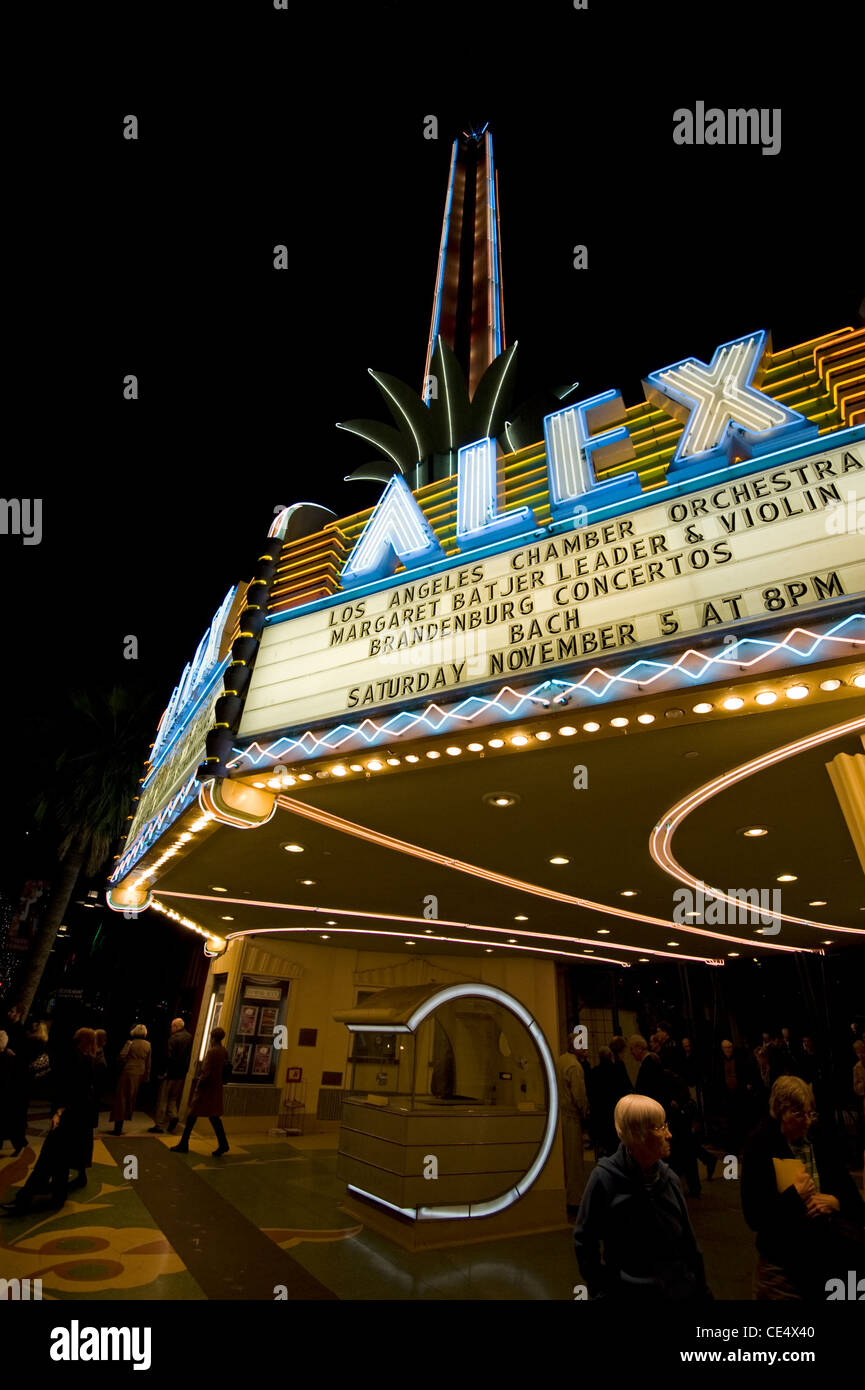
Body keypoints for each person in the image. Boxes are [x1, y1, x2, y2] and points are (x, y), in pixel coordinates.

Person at [573, 1094, 712, 1301]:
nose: (669, 1134)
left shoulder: (668, 1179)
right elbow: (585, 1241)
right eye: (660, 1128)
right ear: (636, 1135)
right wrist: (603, 1287)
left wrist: (701, 1291)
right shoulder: (604, 1179)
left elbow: (688, 1245)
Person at [741, 1074, 865, 1299]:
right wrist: (794, 1196)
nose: (807, 1121)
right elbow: (755, 1217)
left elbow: (855, 1203)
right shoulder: (759, 1147)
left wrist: (835, 1202)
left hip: (823, 1260)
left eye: (810, 1113)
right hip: (780, 1269)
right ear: (780, 1111)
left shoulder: (819, 1141)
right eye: (798, 1114)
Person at [1, 1030, 97, 1214]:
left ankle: (25, 1200)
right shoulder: (88, 1060)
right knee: (59, 1160)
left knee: (48, 1159)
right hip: (77, 1119)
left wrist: (60, 1111)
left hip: (69, 1117)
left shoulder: (78, 1059)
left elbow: (73, 1090)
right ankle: (55, 1197)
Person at [171, 1027, 230, 1157]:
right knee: (214, 1117)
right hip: (216, 1088)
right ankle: (223, 1143)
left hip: (205, 1090)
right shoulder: (223, 1051)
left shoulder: (212, 1052)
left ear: (212, 1037)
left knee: (192, 1116)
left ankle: (183, 1144)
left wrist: (198, 1084)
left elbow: (206, 1071)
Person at [556, 1029, 589, 1212]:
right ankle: (575, 1200)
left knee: (564, 1159)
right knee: (575, 1161)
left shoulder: (560, 1060)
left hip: (560, 1114)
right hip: (571, 1116)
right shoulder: (575, 1067)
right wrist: (585, 1111)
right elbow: (579, 1096)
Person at [148, 1018, 193, 1134]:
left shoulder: (173, 1038)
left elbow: (167, 1057)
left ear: (176, 1027)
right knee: (173, 1098)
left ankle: (159, 1125)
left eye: (172, 1026)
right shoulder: (189, 1037)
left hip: (170, 1073)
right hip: (181, 1074)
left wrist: (162, 1072)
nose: (171, 1029)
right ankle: (173, 1116)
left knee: (163, 1099)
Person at [110, 1025, 151, 1136]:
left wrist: (124, 1063)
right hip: (139, 1073)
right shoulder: (148, 1045)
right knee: (130, 1098)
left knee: (121, 1098)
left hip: (128, 1072)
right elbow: (148, 1063)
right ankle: (124, 1121)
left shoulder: (130, 1043)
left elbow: (122, 1056)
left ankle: (118, 1126)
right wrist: (146, 1076)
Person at [0, 1029, 27, 1155]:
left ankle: (19, 1142)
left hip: (6, 1092)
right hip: (7, 1091)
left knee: (7, 1121)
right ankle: (19, 1142)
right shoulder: (7, 1056)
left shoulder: (7, 1057)